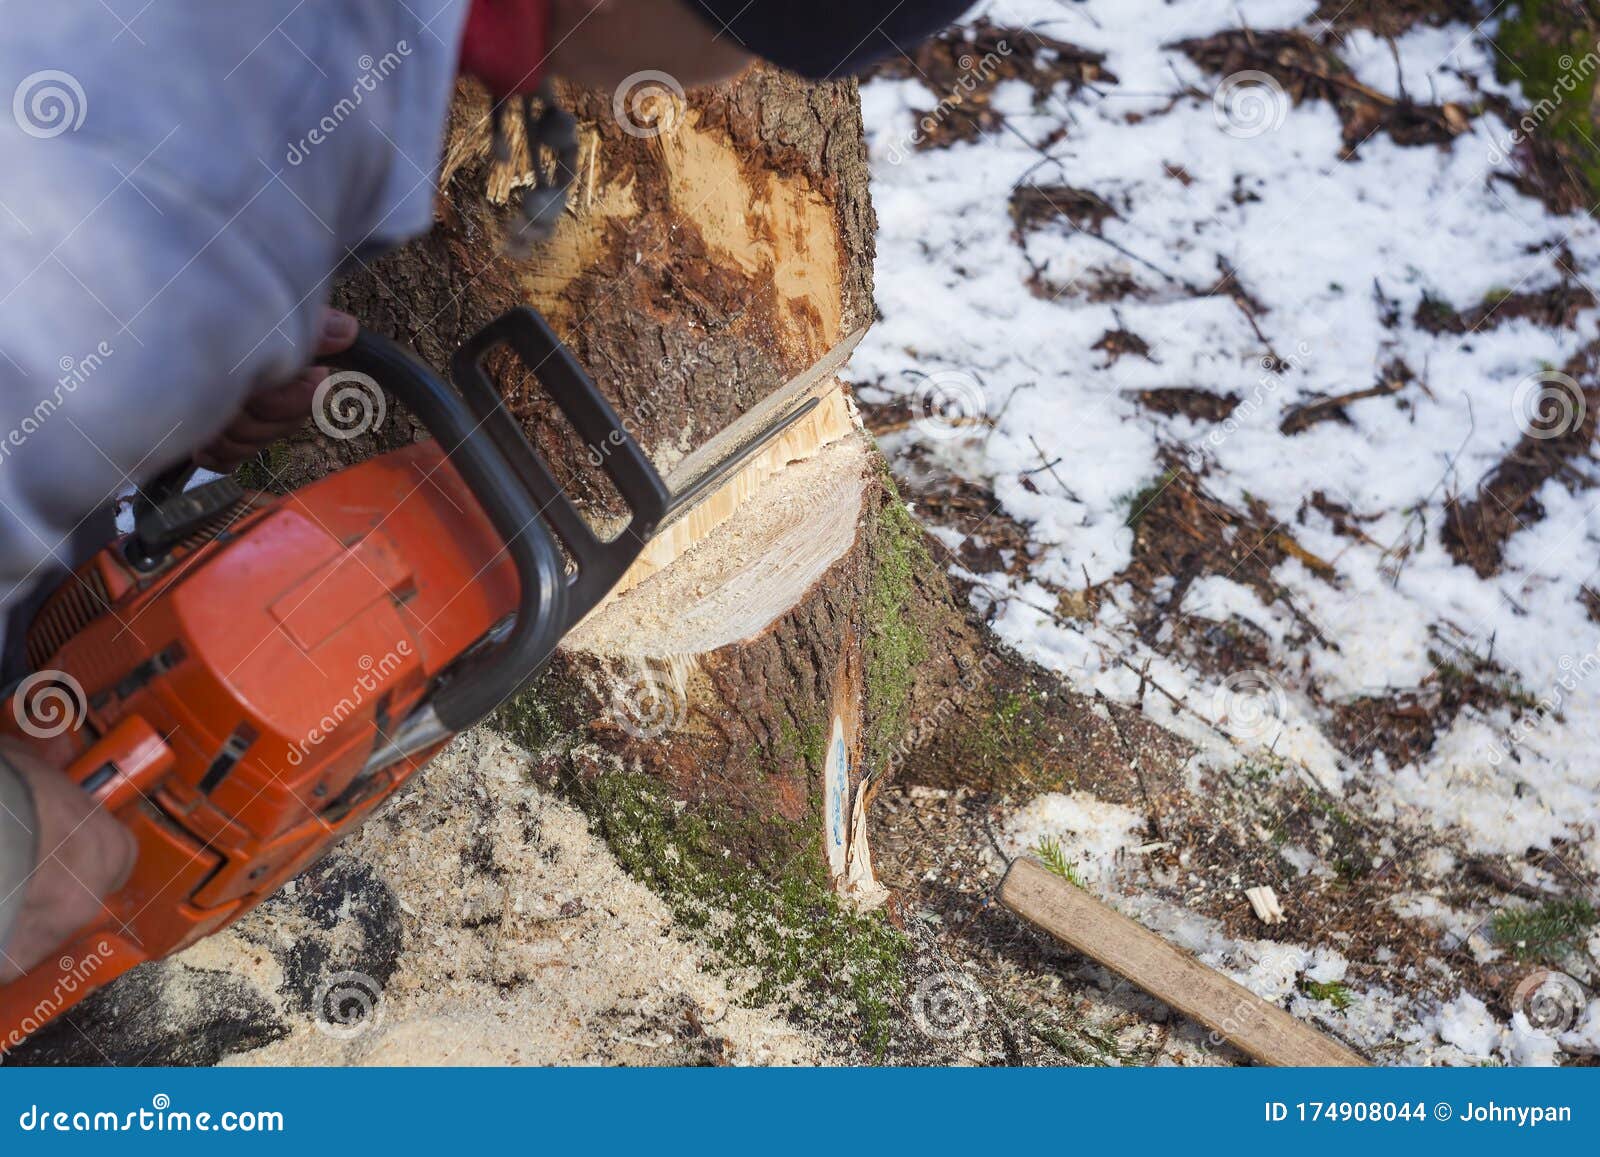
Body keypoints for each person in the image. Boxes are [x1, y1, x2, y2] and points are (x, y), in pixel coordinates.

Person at [0, 1, 969, 988]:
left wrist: (180, 382)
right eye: (743, 49)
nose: (716, 90)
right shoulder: (194, 190)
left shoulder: (262, 123)